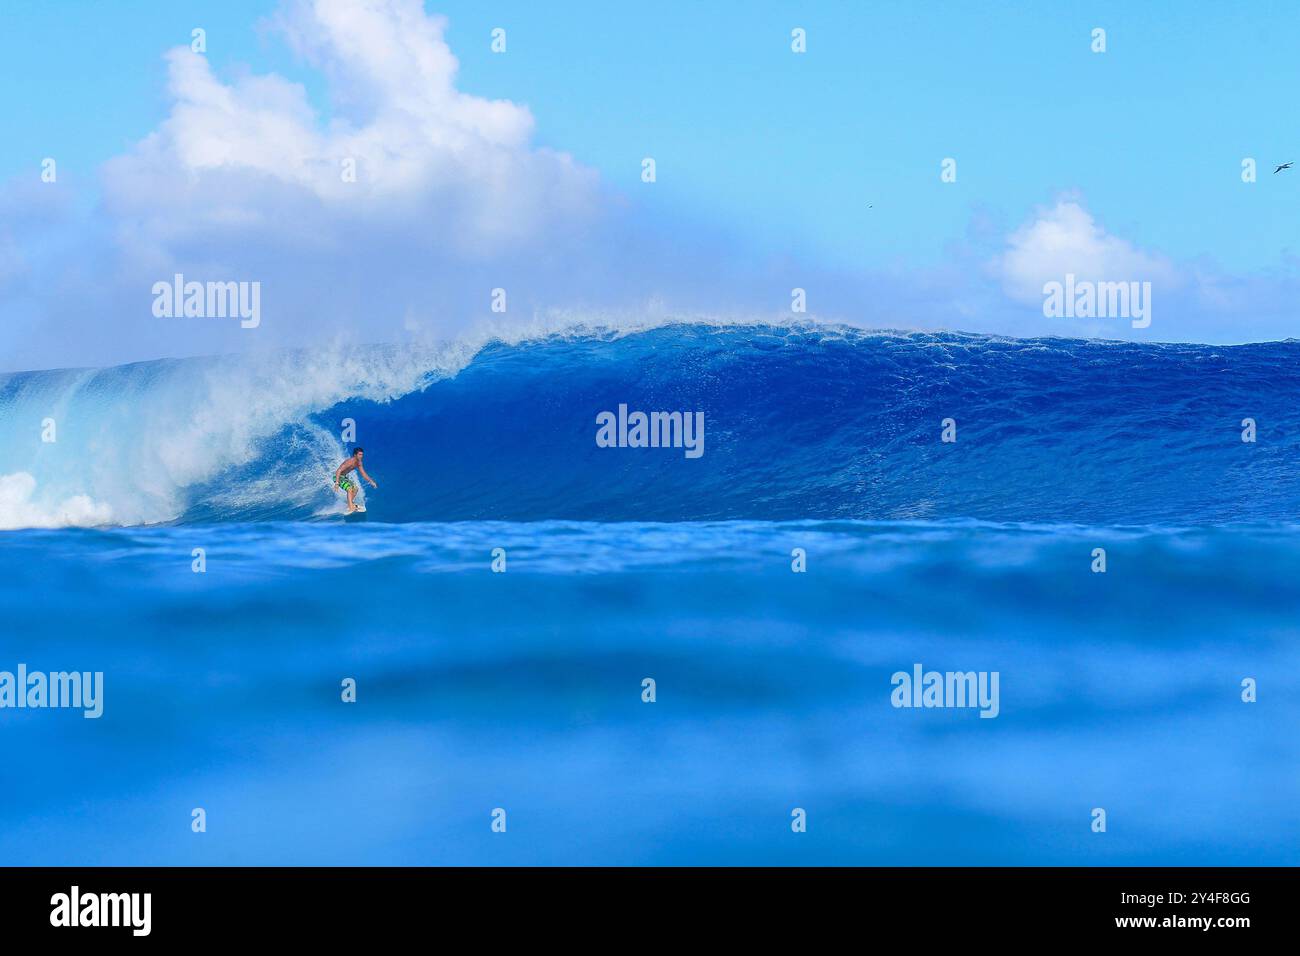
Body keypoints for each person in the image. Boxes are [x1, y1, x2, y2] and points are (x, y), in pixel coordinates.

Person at [334, 447, 377, 513]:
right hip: (338, 477)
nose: (361, 456)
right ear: (355, 455)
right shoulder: (349, 462)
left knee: (356, 489)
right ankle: (351, 508)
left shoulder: (359, 463)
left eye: (362, 455)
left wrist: (371, 481)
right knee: (349, 489)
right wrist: (337, 483)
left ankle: (349, 504)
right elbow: (338, 470)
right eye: (359, 455)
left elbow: (363, 474)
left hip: (344, 477)